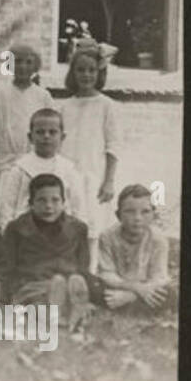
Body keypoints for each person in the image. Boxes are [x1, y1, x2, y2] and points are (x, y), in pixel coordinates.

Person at [0, 173, 92, 329]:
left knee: (72, 283)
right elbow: (6, 268)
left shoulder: (78, 228)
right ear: (30, 203)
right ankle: (65, 313)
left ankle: (69, 311)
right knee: (40, 297)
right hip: (32, 285)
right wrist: (4, 300)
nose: (49, 206)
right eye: (41, 200)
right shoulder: (16, 228)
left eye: (55, 200)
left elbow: (83, 267)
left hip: (68, 284)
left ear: (64, 202)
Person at [58, 42, 121, 261]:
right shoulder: (65, 106)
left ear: (99, 73)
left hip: (94, 174)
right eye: (81, 70)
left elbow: (113, 146)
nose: (86, 75)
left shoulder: (106, 105)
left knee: (93, 229)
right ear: (73, 73)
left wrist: (109, 181)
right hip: (68, 174)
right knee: (68, 223)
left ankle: (91, 272)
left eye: (91, 70)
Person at [0, 43, 54, 199]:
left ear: (35, 66)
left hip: (36, 163)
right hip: (6, 164)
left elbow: (53, 130)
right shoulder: (0, 95)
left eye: (28, 62)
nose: (22, 67)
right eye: (17, 61)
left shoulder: (43, 96)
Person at [0, 108, 86, 226]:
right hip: (26, 233)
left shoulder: (69, 170)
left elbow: (78, 208)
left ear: (62, 137)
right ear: (30, 137)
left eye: (52, 132)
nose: (46, 136)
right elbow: (7, 207)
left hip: (61, 234)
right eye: (40, 132)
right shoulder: (19, 169)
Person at [97, 185, 172, 310]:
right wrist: (136, 288)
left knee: (168, 293)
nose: (137, 218)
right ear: (118, 215)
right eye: (130, 211)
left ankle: (128, 303)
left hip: (146, 288)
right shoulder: (107, 236)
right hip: (117, 287)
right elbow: (107, 273)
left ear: (154, 214)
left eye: (145, 212)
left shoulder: (158, 239)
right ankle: (129, 305)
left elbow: (158, 277)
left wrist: (131, 295)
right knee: (96, 288)